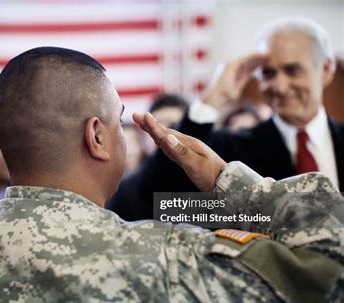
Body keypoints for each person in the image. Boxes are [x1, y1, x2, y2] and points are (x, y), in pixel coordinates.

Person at [0, 47, 343, 303]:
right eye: (119, 121)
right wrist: (232, 184)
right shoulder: (168, 261)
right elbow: (330, 273)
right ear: (96, 136)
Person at [109, 16, 344, 220]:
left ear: (326, 69)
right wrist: (214, 97)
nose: (280, 87)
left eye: (293, 70)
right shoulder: (232, 149)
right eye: (268, 73)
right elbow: (159, 201)